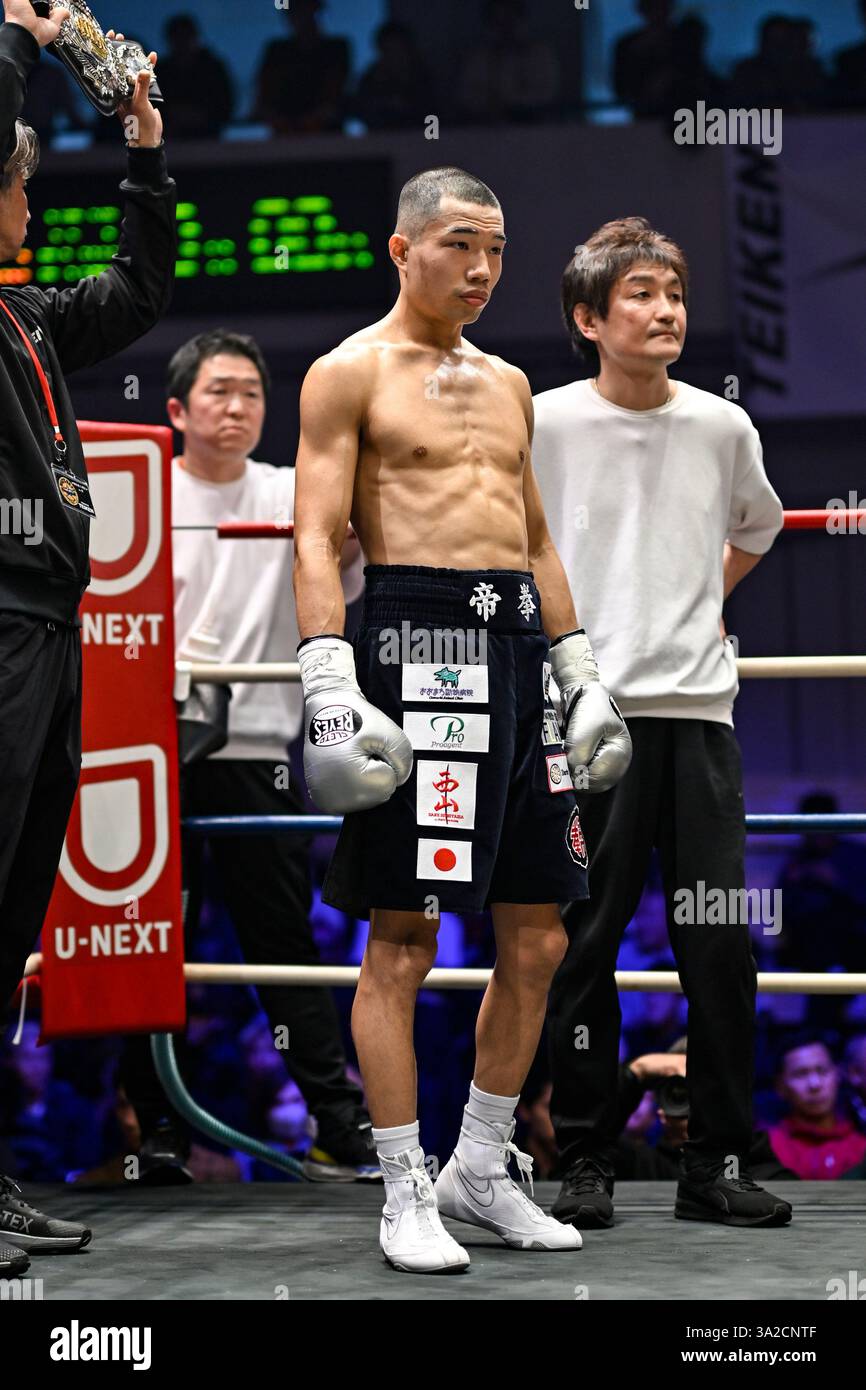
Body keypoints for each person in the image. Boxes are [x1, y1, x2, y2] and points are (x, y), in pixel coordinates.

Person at [292, 165, 632, 1274]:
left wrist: (577, 672)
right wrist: (328, 683)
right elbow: (314, 534)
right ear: (401, 249)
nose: (480, 267)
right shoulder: (347, 372)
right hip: (414, 641)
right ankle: (401, 1190)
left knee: (538, 932)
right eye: (456, 243)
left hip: (516, 644)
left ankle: (479, 1166)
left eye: (493, 246)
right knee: (404, 934)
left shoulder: (511, 382)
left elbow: (533, 537)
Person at [532, 216, 793, 1229]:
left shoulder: (721, 426)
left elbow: (758, 527)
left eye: (673, 293)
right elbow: (513, 542)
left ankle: (716, 1158)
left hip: (695, 716)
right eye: (639, 293)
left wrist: (699, 597)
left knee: (717, 945)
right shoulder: (542, 420)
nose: (664, 310)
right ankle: (585, 1158)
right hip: (584, 715)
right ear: (588, 317)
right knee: (581, 943)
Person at [0, 0, 175, 1277]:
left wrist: (144, 155)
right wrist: (21, 37)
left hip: (49, 630)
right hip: (1, 627)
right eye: (17, 178)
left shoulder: (31, 320)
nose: (25, 197)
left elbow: (141, 286)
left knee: (14, 917)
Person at [116, 328, 377, 1184]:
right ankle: (154, 1133)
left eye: (252, 393)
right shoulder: (137, 495)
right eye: (219, 391)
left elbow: (355, 556)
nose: (236, 407)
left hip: (261, 745)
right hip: (143, 754)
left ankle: (338, 1124)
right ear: (177, 408)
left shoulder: (292, 492)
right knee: (147, 941)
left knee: (284, 945)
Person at [767, 1034, 866, 1179]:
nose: (815, 1084)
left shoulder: (860, 1145)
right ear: (780, 1086)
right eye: (801, 1074)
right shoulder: (768, 1148)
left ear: (837, 1074)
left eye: (822, 1071)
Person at [251, 0, 350, 136]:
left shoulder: (336, 49)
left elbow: (335, 90)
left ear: (315, 11)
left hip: (327, 137)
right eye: (294, 12)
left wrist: (315, 119)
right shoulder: (277, 51)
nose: (299, 17)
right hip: (283, 135)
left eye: (303, 10)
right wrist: (276, 119)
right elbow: (265, 91)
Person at [152, 14, 233, 141]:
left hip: (208, 139)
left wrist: (202, 116)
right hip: (172, 140)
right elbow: (152, 105)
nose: (182, 43)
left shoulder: (213, 69)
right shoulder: (161, 72)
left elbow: (225, 104)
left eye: (185, 37)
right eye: (178, 38)